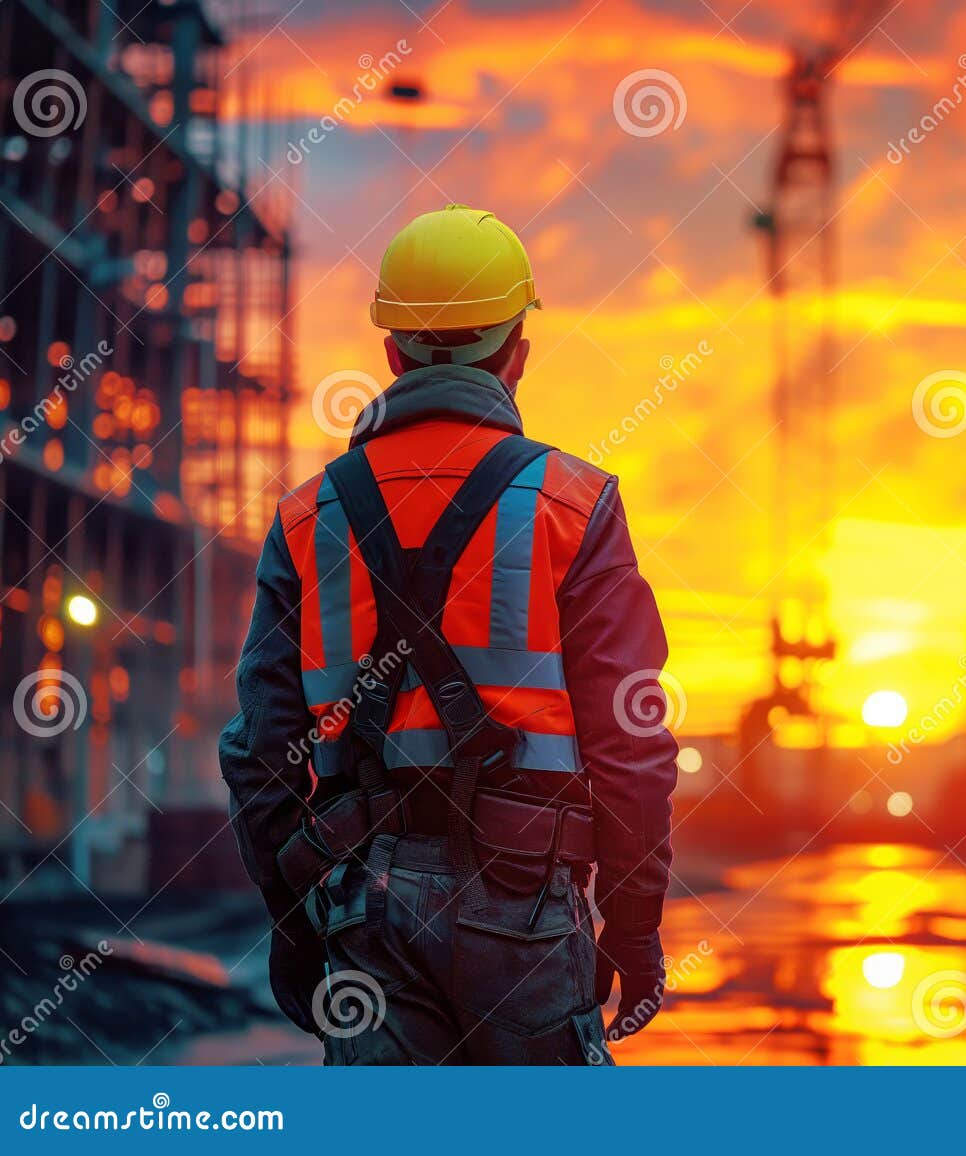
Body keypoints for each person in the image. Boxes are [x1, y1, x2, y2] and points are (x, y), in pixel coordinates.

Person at [219, 204, 677, 1064]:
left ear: (390, 353)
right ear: (518, 355)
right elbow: (632, 743)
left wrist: (291, 920)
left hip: (367, 910)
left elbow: (259, 750)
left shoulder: (308, 519)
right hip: (527, 913)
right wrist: (636, 926)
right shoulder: (576, 507)